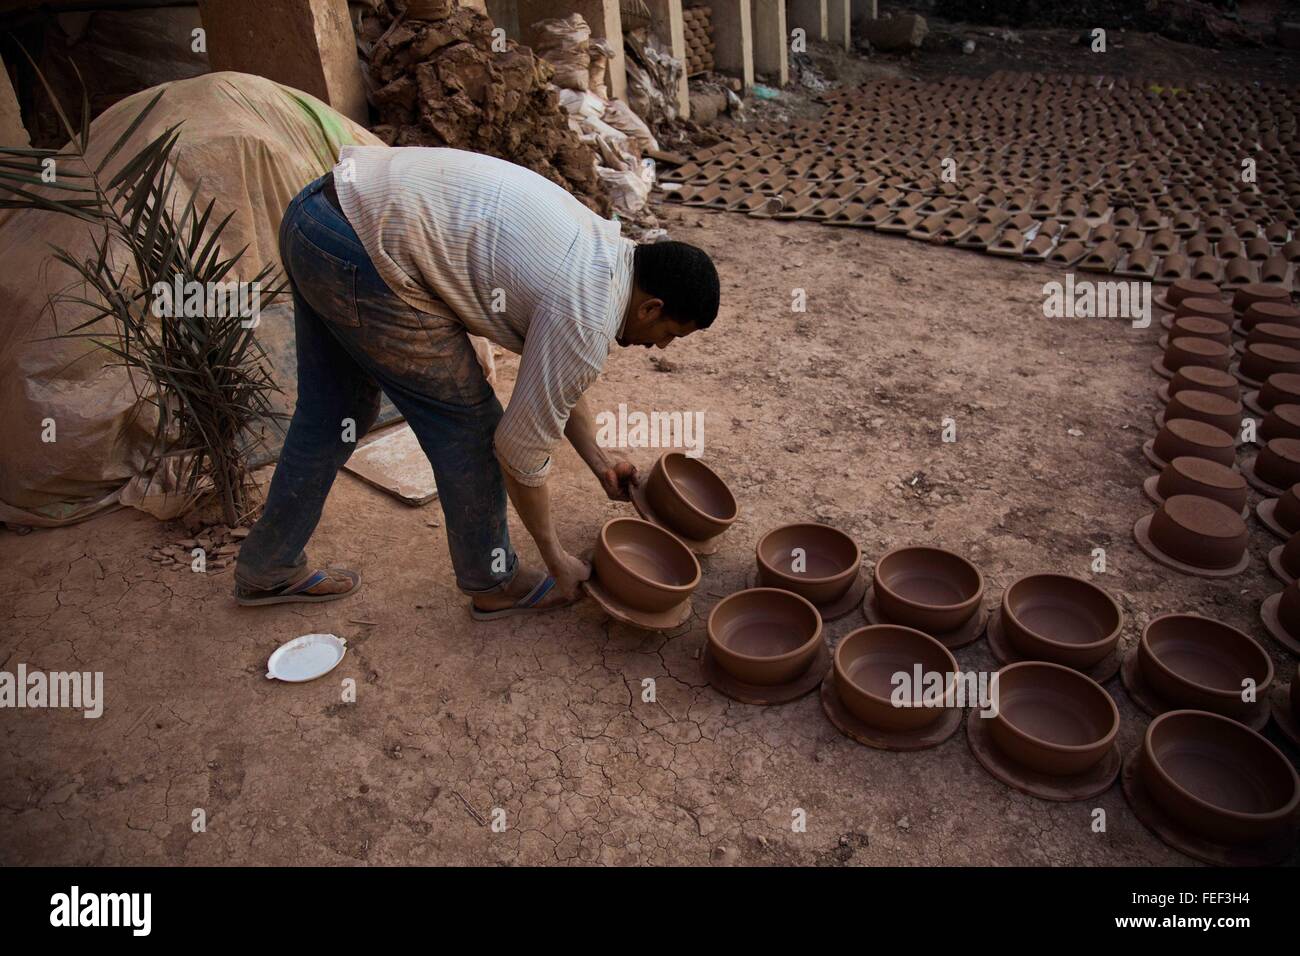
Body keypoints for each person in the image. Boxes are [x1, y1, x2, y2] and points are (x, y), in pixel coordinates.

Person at [234, 146, 720, 619]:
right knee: (470, 431)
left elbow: (555, 375)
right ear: (651, 307)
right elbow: (518, 450)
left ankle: (268, 567)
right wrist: (557, 559)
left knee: (334, 412)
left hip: (319, 214)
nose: (661, 347)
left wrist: (599, 462)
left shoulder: (608, 253)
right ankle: (495, 583)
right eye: (668, 335)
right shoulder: (587, 315)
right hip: (365, 248)